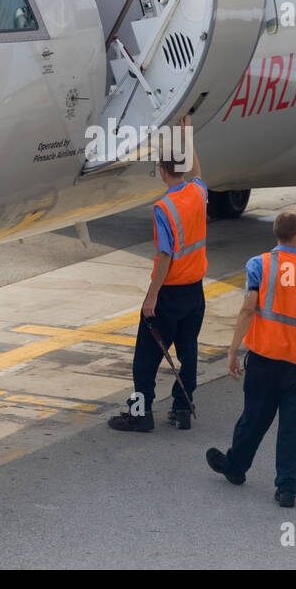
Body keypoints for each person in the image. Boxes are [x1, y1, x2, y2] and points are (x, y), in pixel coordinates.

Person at [206, 212, 296, 507]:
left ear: (275, 233)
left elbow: (249, 308)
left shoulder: (258, 265)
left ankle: (235, 467)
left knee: (254, 418)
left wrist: (233, 350)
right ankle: (287, 488)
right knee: (292, 427)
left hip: (265, 358)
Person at [109, 115, 207, 432]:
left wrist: (151, 296)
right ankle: (181, 409)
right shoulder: (198, 192)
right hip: (195, 293)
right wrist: (187, 132)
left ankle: (141, 413)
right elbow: (198, 171)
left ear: (162, 172)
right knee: (188, 354)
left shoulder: (164, 208)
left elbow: (165, 255)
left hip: (168, 294)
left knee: (146, 359)